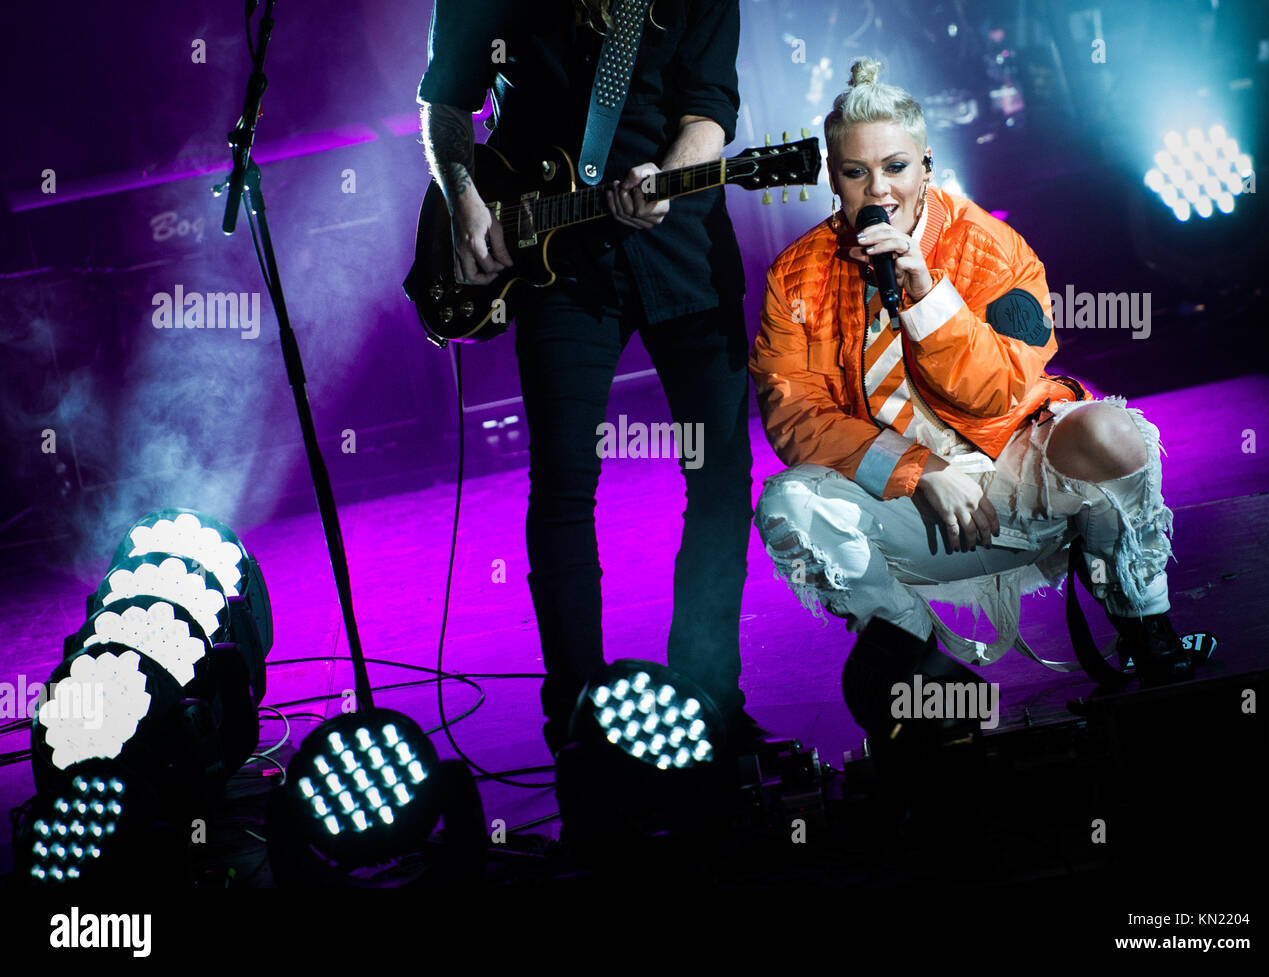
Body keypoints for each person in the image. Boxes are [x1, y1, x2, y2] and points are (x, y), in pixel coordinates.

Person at [749, 57, 1195, 707]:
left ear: (926, 166)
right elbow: (795, 415)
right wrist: (917, 469)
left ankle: (1145, 620)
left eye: (897, 167)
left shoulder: (994, 249)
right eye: (855, 172)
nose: (879, 191)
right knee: (788, 505)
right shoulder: (797, 275)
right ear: (833, 178)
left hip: (1017, 486)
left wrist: (927, 295)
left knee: (1111, 430)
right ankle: (915, 663)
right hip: (914, 511)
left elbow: (1001, 391)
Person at [417, 0, 757, 755]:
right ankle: (579, 720)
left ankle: (708, 702)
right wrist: (464, 200)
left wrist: (666, 180)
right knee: (565, 487)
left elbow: (708, 114)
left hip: (680, 250)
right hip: (554, 260)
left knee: (722, 474)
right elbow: (443, 101)